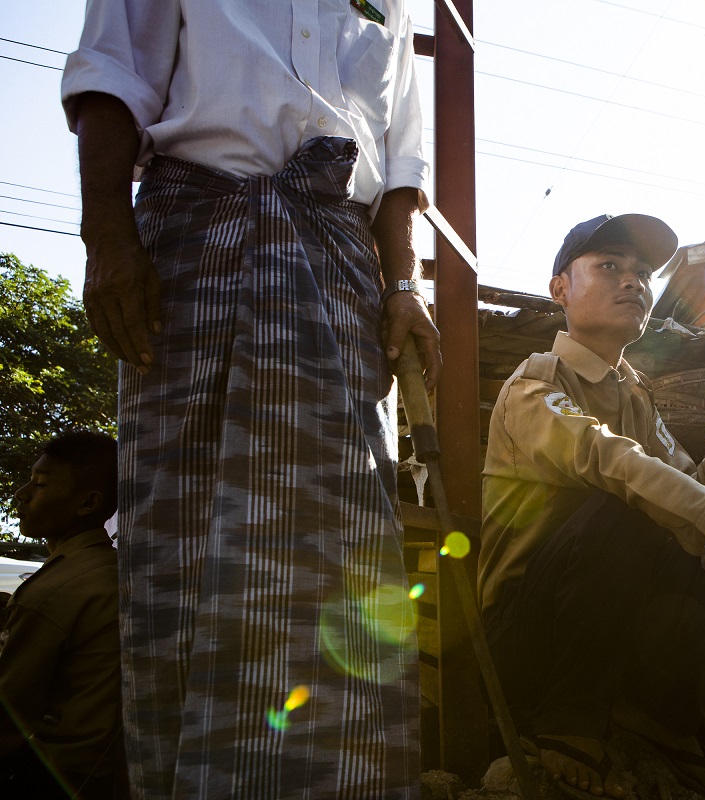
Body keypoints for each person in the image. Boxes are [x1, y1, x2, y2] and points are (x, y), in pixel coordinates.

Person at [61, 2, 437, 796]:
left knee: (341, 545)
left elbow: (401, 158)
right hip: (193, 243)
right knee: (184, 530)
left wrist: (404, 282)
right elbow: (113, 75)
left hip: (339, 261)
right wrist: (107, 237)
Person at [480, 214, 705, 800]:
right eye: (609, 267)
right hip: (527, 639)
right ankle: (565, 721)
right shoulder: (535, 383)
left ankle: (665, 718)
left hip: (606, 627)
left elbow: (686, 483)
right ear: (561, 289)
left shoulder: (634, 393)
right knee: (632, 500)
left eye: (642, 273)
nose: (633, 283)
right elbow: (614, 464)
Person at [0, 431, 126, 799]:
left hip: (55, 777)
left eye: (39, 484)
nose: (21, 494)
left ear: (87, 503)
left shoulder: (48, 592)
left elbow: (9, 717)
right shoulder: (109, 568)